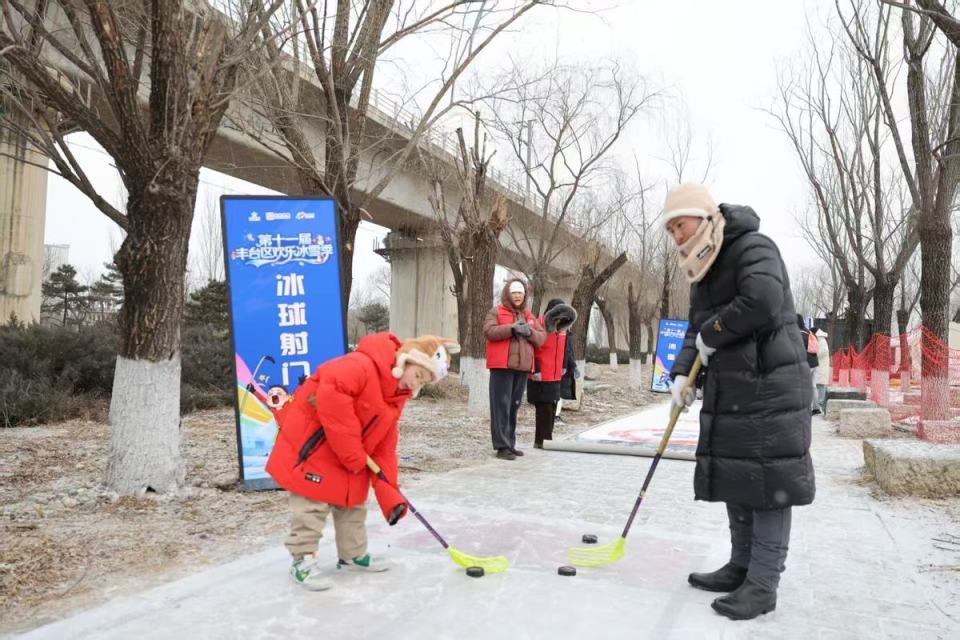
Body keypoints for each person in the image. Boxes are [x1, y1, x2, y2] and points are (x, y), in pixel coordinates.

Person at [664, 183, 815, 621]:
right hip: (734, 389)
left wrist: (713, 334)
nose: (676, 234)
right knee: (740, 478)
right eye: (671, 228)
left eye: (682, 223)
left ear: (705, 217)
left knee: (769, 486)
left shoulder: (753, 245)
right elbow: (697, 328)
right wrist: (681, 374)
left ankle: (763, 584)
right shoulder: (701, 267)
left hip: (771, 385)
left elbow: (762, 302)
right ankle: (741, 566)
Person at [265, 332, 458, 591]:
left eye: (423, 383)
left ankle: (352, 555)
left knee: (353, 502)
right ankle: (302, 561)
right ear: (407, 360)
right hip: (316, 448)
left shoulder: (394, 398)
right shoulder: (363, 364)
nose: (415, 385)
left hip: (351, 454)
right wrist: (352, 452)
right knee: (311, 507)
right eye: (418, 376)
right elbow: (332, 391)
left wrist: (391, 494)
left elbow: (384, 447)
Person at [483, 278, 546, 460]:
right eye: (514, 292)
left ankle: (510, 444)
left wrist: (530, 332)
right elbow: (489, 331)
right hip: (502, 367)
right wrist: (511, 329)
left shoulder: (528, 315)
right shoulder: (496, 312)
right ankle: (501, 446)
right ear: (508, 294)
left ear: (524, 295)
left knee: (513, 406)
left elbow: (541, 337)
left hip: (522, 368)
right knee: (501, 406)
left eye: (520, 293)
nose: (517, 296)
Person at [527, 299, 577, 448]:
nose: (560, 319)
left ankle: (544, 440)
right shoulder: (539, 325)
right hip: (541, 375)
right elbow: (532, 348)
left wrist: (564, 366)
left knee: (552, 407)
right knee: (544, 409)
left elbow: (564, 350)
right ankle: (543, 440)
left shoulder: (562, 329)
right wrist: (535, 369)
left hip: (555, 376)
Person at [797, 314, 821, 415]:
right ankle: (815, 408)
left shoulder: (799, 334)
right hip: (814, 363)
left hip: (805, 363)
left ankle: (808, 409)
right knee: (813, 386)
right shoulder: (809, 332)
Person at [815, 328, 831, 413]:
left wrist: (813, 353)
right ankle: (819, 403)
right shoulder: (821, 340)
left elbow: (822, 352)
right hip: (820, 366)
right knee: (819, 385)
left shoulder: (822, 341)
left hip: (821, 367)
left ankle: (820, 404)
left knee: (821, 385)